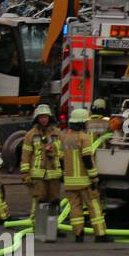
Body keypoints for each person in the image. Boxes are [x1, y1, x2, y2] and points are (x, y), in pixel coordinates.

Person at [61, 108, 112, 243]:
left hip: (70, 181)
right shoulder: (84, 138)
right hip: (85, 181)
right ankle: (100, 234)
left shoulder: (65, 138)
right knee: (93, 206)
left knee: (75, 208)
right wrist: (94, 177)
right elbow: (87, 159)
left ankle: (78, 234)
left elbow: (61, 158)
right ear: (82, 123)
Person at [21, 104, 64, 230]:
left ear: (49, 118)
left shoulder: (57, 133)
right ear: (37, 119)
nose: (43, 119)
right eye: (41, 117)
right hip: (38, 174)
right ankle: (37, 227)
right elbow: (26, 155)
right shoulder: (30, 135)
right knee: (39, 199)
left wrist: (53, 151)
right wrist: (25, 173)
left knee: (55, 201)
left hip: (54, 173)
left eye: (45, 117)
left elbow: (64, 153)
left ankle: (52, 229)